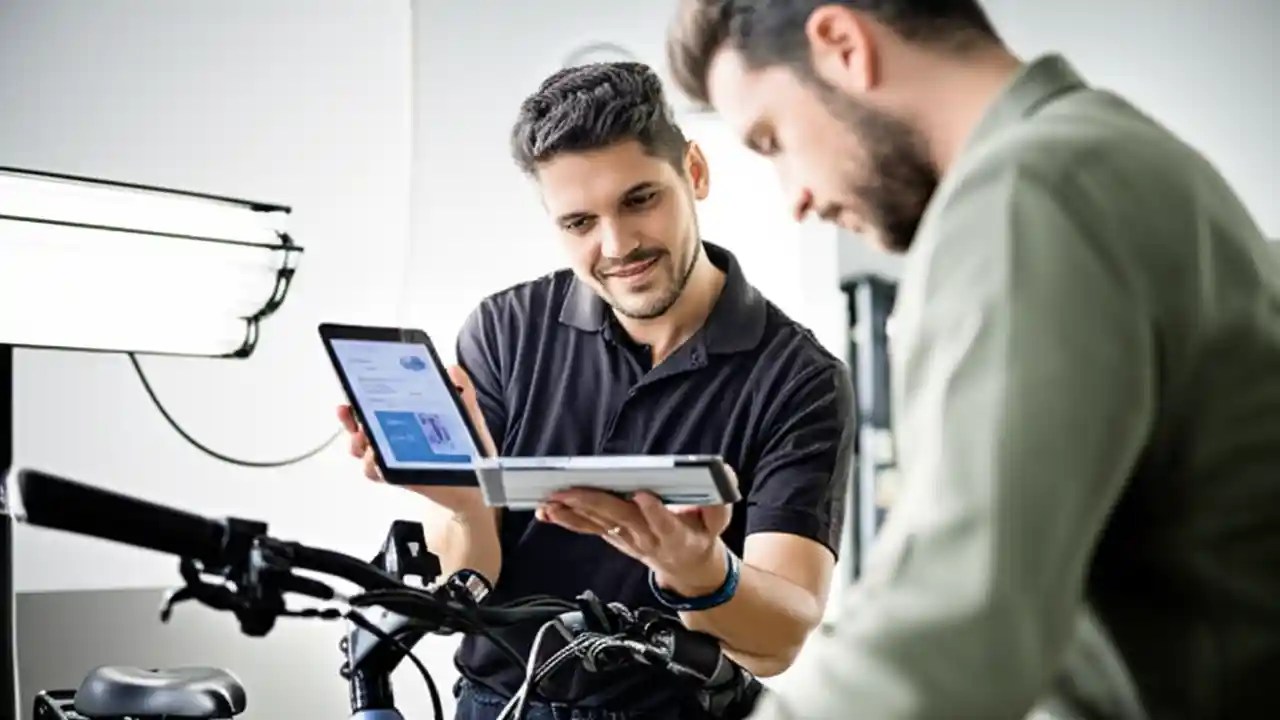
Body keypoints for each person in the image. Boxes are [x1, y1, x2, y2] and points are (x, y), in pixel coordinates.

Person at [665, 1, 1280, 719]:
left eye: (772, 140)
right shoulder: (1113, 154)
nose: (795, 198)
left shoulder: (1027, 193)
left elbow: (948, 635)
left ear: (842, 45)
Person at [339, 60, 856, 720]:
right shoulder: (504, 332)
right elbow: (467, 585)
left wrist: (700, 571)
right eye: (579, 223)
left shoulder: (798, 379)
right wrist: (465, 506)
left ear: (693, 173)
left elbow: (778, 641)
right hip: (499, 705)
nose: (617, 246)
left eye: (640, 200)